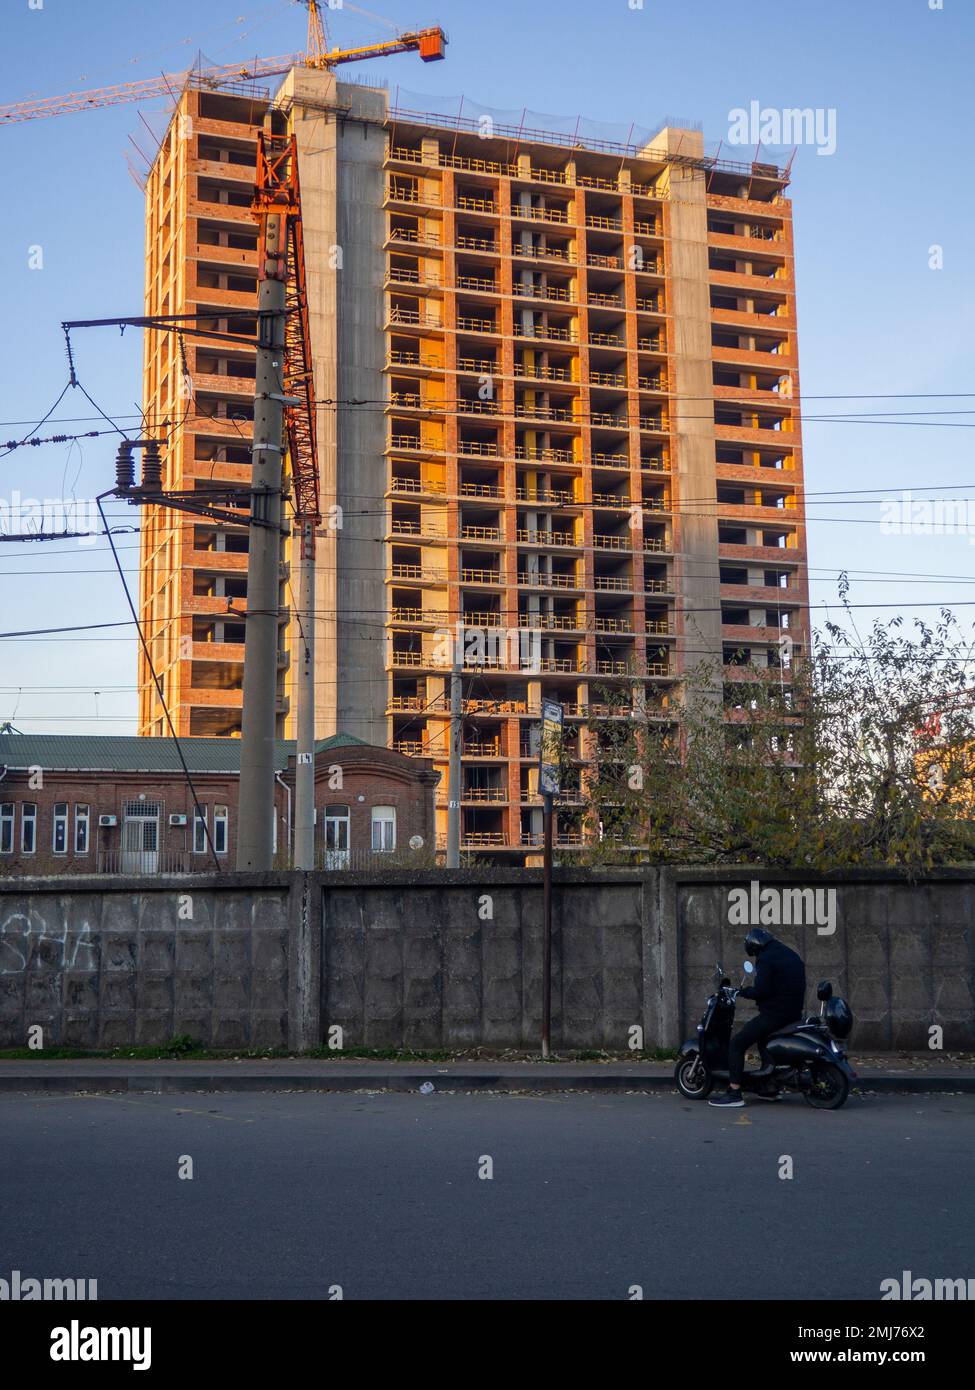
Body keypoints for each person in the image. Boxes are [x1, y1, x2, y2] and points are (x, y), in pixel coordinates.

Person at [708, 927, 806, 1108]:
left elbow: (762, 991)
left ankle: (734, 1091)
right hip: (793, 1013)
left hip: (775, 1015)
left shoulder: (765, 958)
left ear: (754, 946)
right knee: (763, 1041)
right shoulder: (789, 953)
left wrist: (741, 992)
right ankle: (769, 1088)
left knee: (737, 1043)